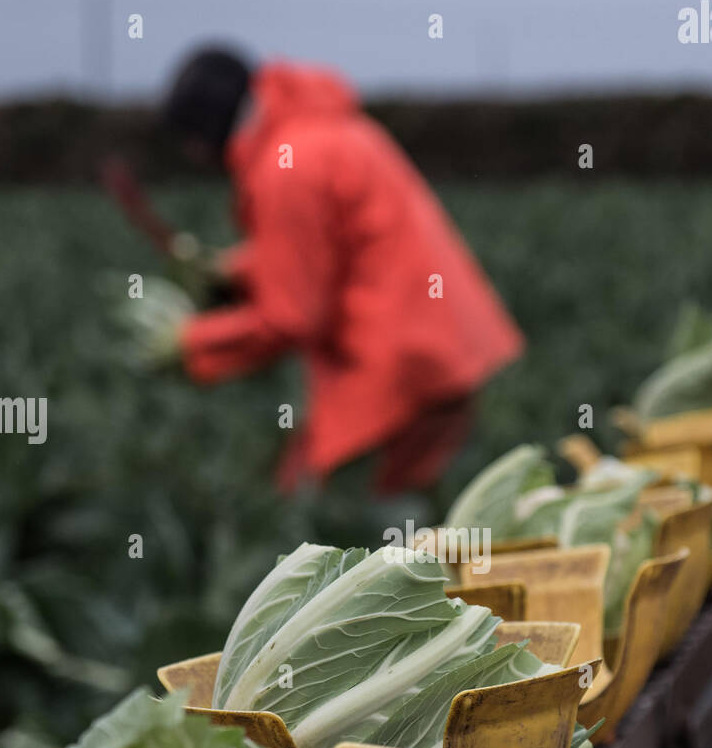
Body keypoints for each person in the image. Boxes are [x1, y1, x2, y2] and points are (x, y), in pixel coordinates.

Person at [161, 47, 523, 495]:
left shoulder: (285, 168)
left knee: (332, 512)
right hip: (436, 350)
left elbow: (292, 316)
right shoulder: (330, 129)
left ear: (203, 133)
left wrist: (190, 343)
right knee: (408, 519)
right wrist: (236, 268)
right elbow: (334, 247)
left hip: (400, 370)